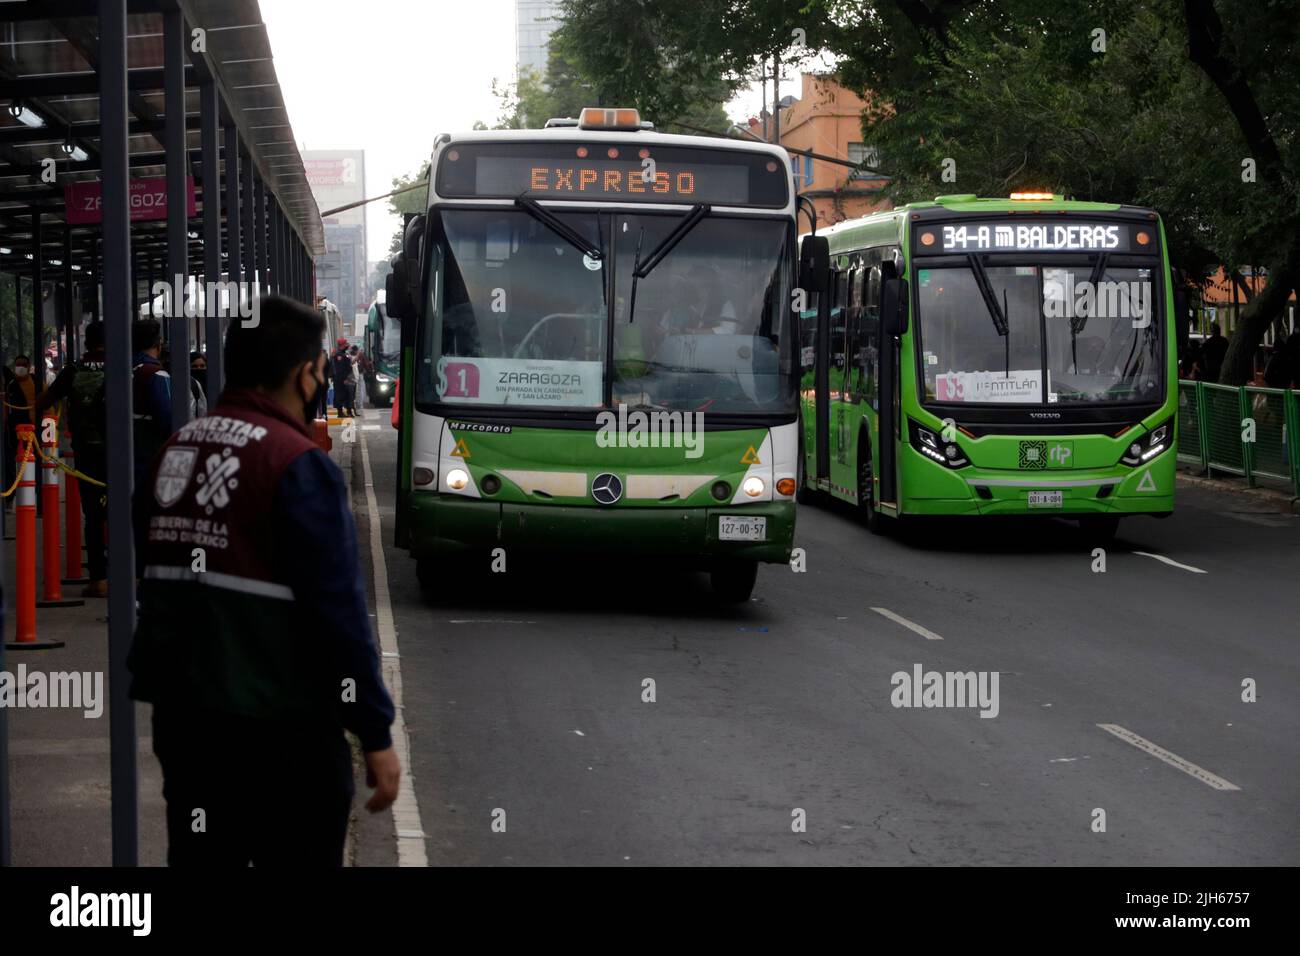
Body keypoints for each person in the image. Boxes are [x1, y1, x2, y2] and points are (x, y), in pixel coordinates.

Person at [128, 295, 400, 866]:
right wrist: (374, 732)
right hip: (284, 732)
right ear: (305, 376)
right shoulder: (296, 464)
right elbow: (340, 617)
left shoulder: (173, 453)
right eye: (322, 373)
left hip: (187, 726)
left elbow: (149, 575)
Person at [34, 323, 110, 598]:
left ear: (87, 342)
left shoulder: (73, 370)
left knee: (92, 514)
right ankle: (126, 572)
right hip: (119, 450)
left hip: (85, 451)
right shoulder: (122, 366)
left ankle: (99, 580)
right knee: (122, 511)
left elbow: (42, 402)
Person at [131, 319, 173, 489]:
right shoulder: (156, 375)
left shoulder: (118, 371)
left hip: (120, 456)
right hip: (150, 456)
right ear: (158, 345)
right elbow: (168, 418)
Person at [331, 338, 355, 418]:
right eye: (345, 344)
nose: (347, 345)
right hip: (340, 379)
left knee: (347, 395)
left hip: (344, 378)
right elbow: (340, 369)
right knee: (340, 396)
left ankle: (347, 411)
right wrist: (344, 378)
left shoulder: (343, 353)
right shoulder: (339, 355)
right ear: (342, 345)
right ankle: (340, 413)